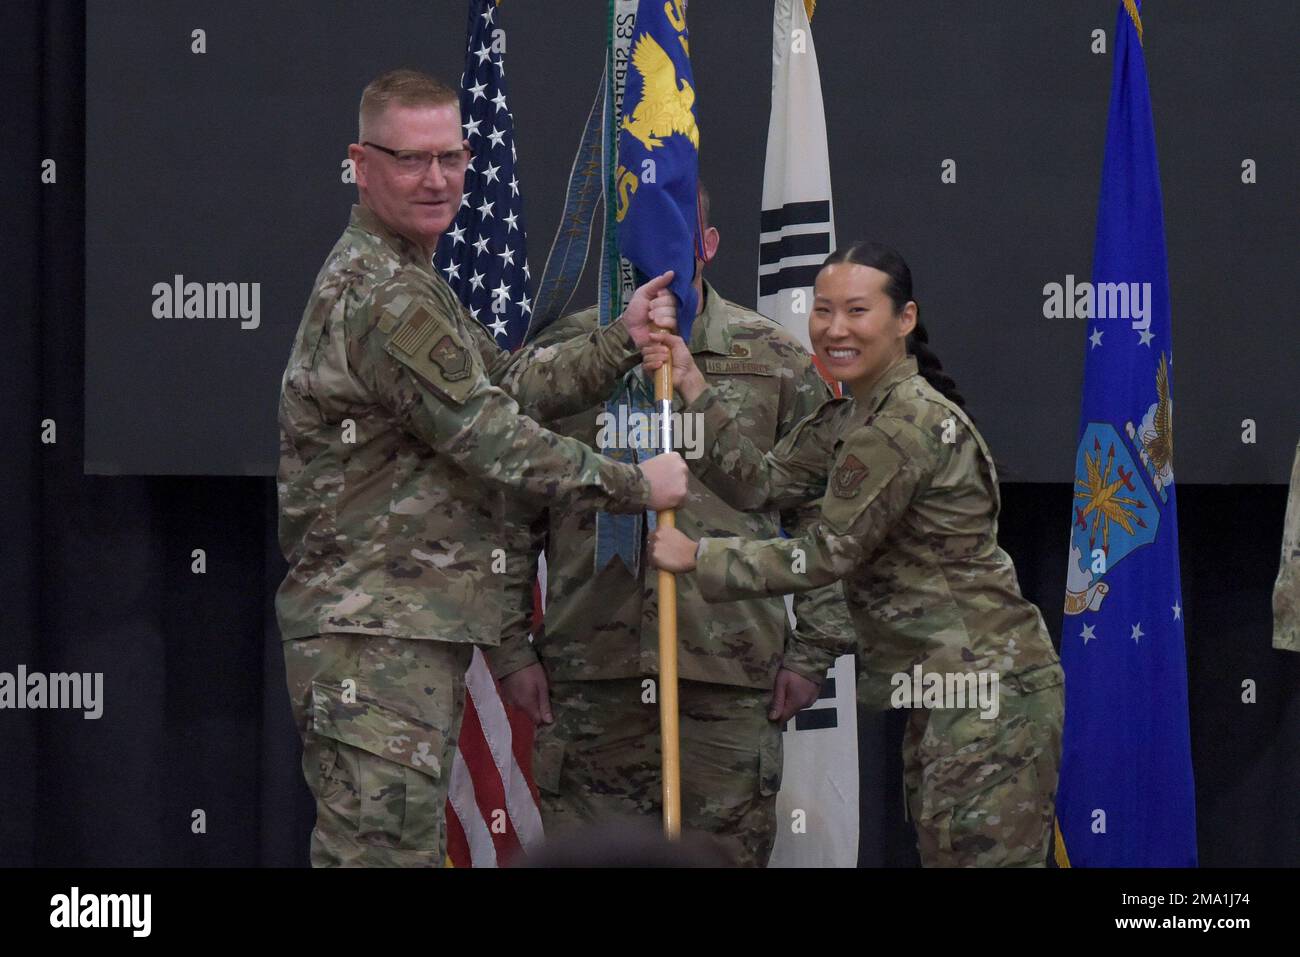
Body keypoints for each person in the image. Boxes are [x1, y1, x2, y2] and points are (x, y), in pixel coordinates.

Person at [276, 69, 688, 867]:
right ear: (360, 165)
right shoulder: (383, 293)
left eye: (451, 157)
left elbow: (501, 384)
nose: (436, 180)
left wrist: (617, 340)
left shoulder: (410, 276)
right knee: (382, 858)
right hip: (375, 636)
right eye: (409, 160)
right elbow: (492, 435)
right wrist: (638, 485)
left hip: (398, 627)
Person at [644, 241, 1065, 867]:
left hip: (984, 693)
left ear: (905, 319)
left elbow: (825, 554)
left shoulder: (902, 425)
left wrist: (699, 556)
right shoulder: (853, 416)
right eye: (823, 310)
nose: (835, 329)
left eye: (857, 311)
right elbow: (760, 483)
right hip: (946, 693)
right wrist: (696, 387)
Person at [488, 184, 853, 867]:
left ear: (707, 246)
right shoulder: (564, 359)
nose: (656, 265)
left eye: (676, 242)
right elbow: (514, 511)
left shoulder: (773, 359)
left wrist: (816, 649)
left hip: (728, 674)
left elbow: (822, 512)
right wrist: (509, 648)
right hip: (592, 677)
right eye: (639, 248)